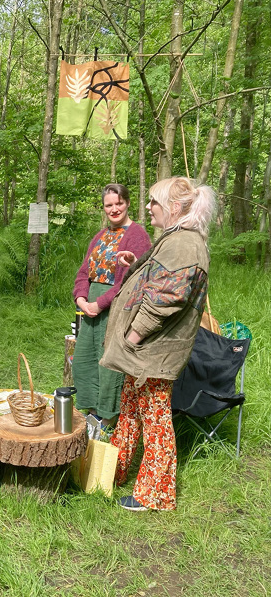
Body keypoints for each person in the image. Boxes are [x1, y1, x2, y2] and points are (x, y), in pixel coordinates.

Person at [101, 176, 216, 512]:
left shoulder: (185, 243)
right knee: (132, 410)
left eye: (154, 202)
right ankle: (114, 471)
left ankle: (155, 494)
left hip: (152, 349)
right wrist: (136, 266)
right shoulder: (176, 238)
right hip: (144, 351)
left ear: (175, 207)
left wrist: (133, 336)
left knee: (154, 419)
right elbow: (163, 279)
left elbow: (167, 299)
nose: (148, 208)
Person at [72, 184, 151, 425]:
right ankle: (91, 411)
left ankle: (108, 418)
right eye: (109, 205)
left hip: (115, 307)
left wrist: (101, 303)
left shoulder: (137, 235)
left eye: (119, 203)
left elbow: (133, 279)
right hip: (90, 309)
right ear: (104, 208)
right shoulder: (100, 236)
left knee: (108, 361)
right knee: (84, 359)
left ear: (127, 203)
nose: (114, 209)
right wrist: (81, 299)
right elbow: (84, 271)